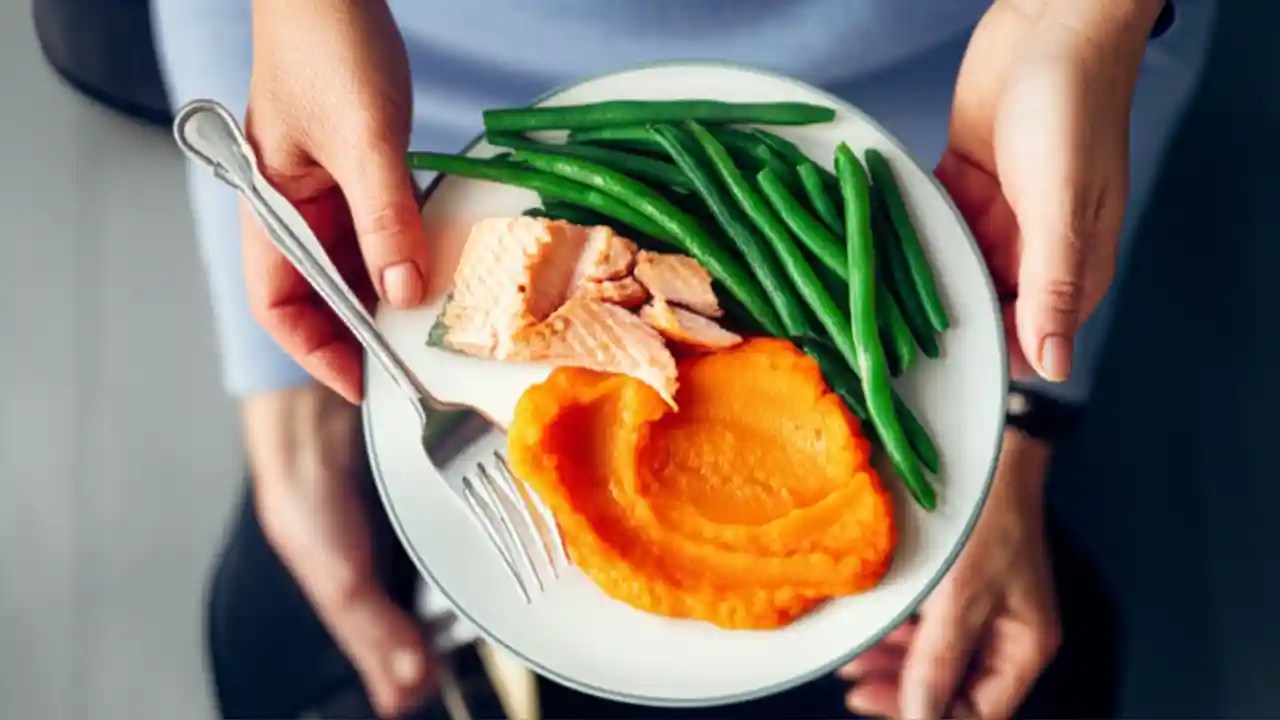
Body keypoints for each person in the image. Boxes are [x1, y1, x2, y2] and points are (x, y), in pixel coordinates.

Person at [151, 0, 1213, 717]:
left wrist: (1014, 423)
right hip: (386, 103)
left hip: (949, 133)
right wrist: (290, 418)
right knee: (281, 655)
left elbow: (1084, 72)